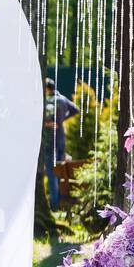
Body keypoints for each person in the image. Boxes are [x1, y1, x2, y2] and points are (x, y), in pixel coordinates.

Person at [43, 78, 78, 211]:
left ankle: (54, 205)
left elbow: (45, 119)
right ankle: (58, 202)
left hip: (50, 139)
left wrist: (46, 123)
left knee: (52, 172)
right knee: (59, 169)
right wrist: (63, 119)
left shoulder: (48, 101)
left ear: (47, 89)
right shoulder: (63, 99)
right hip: (61, 138)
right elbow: (75, 109)